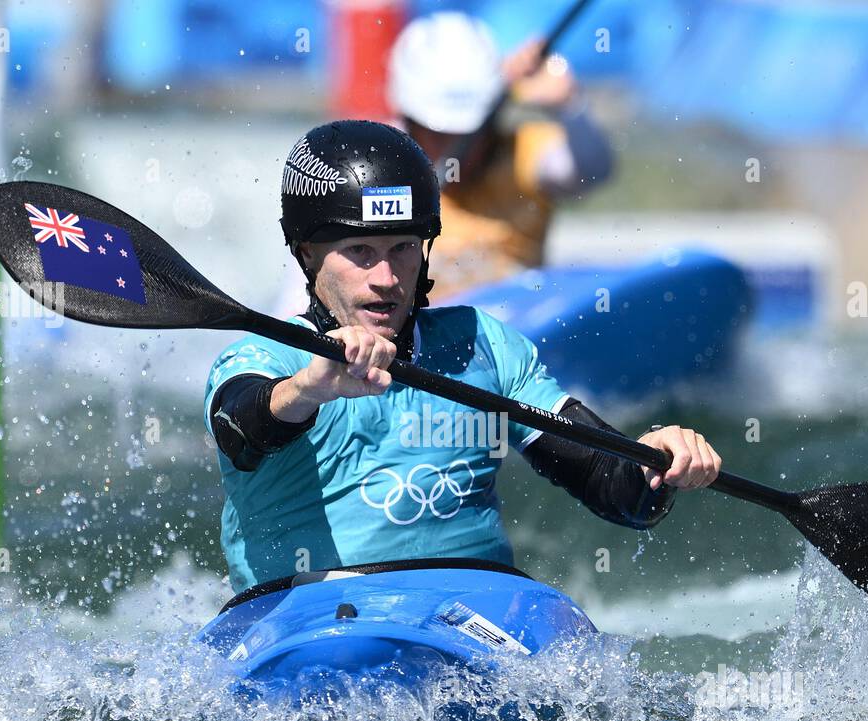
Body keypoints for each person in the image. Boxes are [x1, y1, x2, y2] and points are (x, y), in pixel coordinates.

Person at [205, 120, 718, 594]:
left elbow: (613, 487)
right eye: (361, 251)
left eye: (403, 248)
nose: (386, 279)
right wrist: (309, 388)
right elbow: (241, 429)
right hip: (305, 621)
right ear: (307, 253)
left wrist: (656, 462)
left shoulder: (484, 345)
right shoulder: (264, 353)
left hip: (467, 620)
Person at [387, 11, 614, 297]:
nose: (456, 150)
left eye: (468, 133)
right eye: (439, 135)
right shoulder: (382, 164)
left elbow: (592, 171)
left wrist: (568, 105)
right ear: (409, 121)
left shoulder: (523, 154)